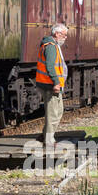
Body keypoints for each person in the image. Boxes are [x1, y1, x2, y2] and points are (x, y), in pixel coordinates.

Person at [34, 22, 68, 150]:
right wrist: (56, 82)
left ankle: (45, 136)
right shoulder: (51, 47)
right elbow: (50, 66)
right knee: (53, 113)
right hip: (50, 85)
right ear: (57, 34)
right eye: (64, 35)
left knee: (57, 111)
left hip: (49, 83)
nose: (65, 37)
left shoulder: (52, 45)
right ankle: (48, 140)